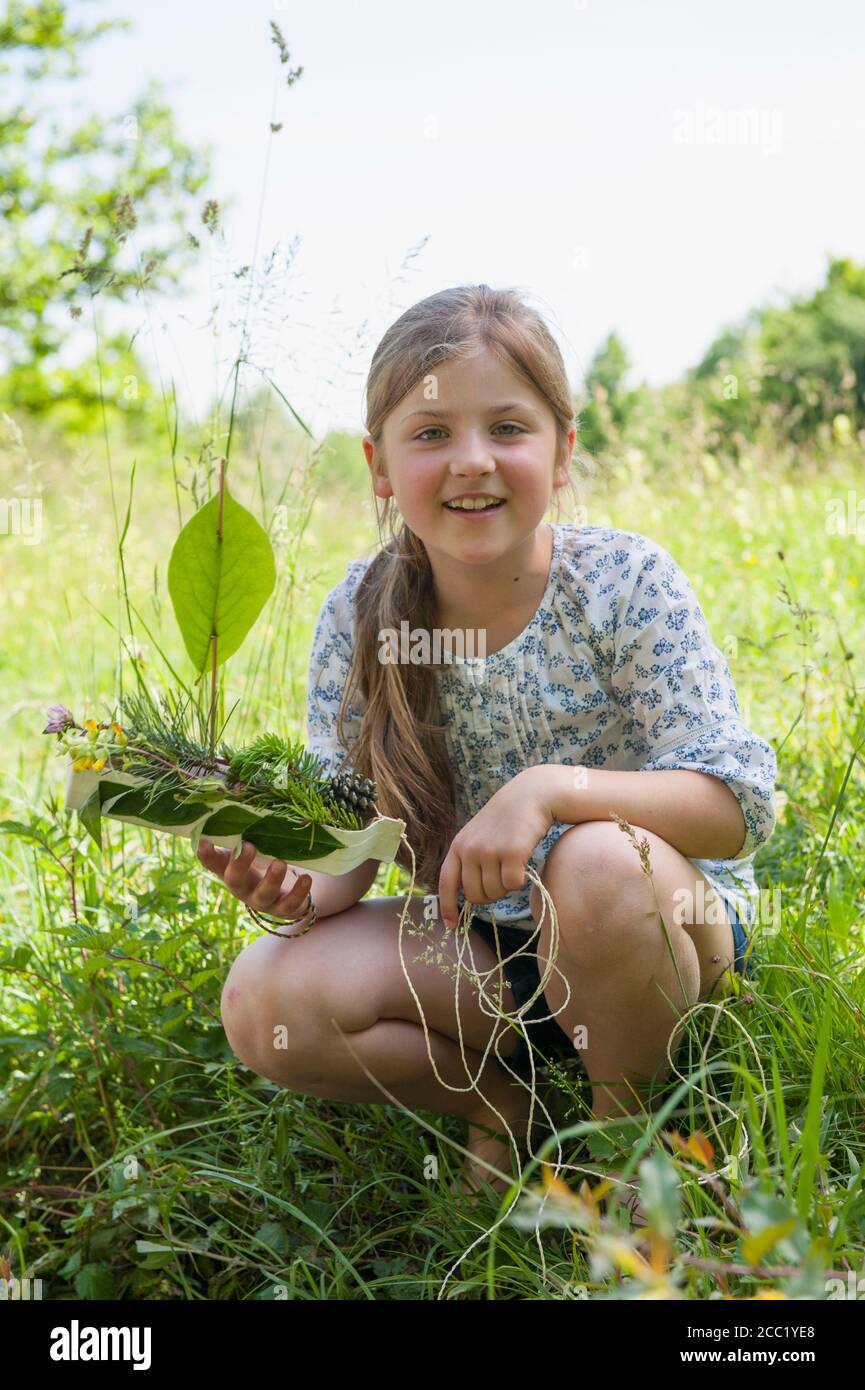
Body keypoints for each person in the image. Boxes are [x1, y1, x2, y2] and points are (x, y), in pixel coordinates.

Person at [197, 284, 777, 1199]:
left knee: (590, 864)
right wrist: (291, 883)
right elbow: (353, 847)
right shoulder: (360, 615)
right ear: (379, 466)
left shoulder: (623, 583)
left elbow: (733, 809)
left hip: (654, 936)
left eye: (508, 428)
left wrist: (552, 789)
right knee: (263, 997)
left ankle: (618, 1149)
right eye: (430, 434)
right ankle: (503, 1106)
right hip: (489, 961)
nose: (473, 462)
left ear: (563, 447)